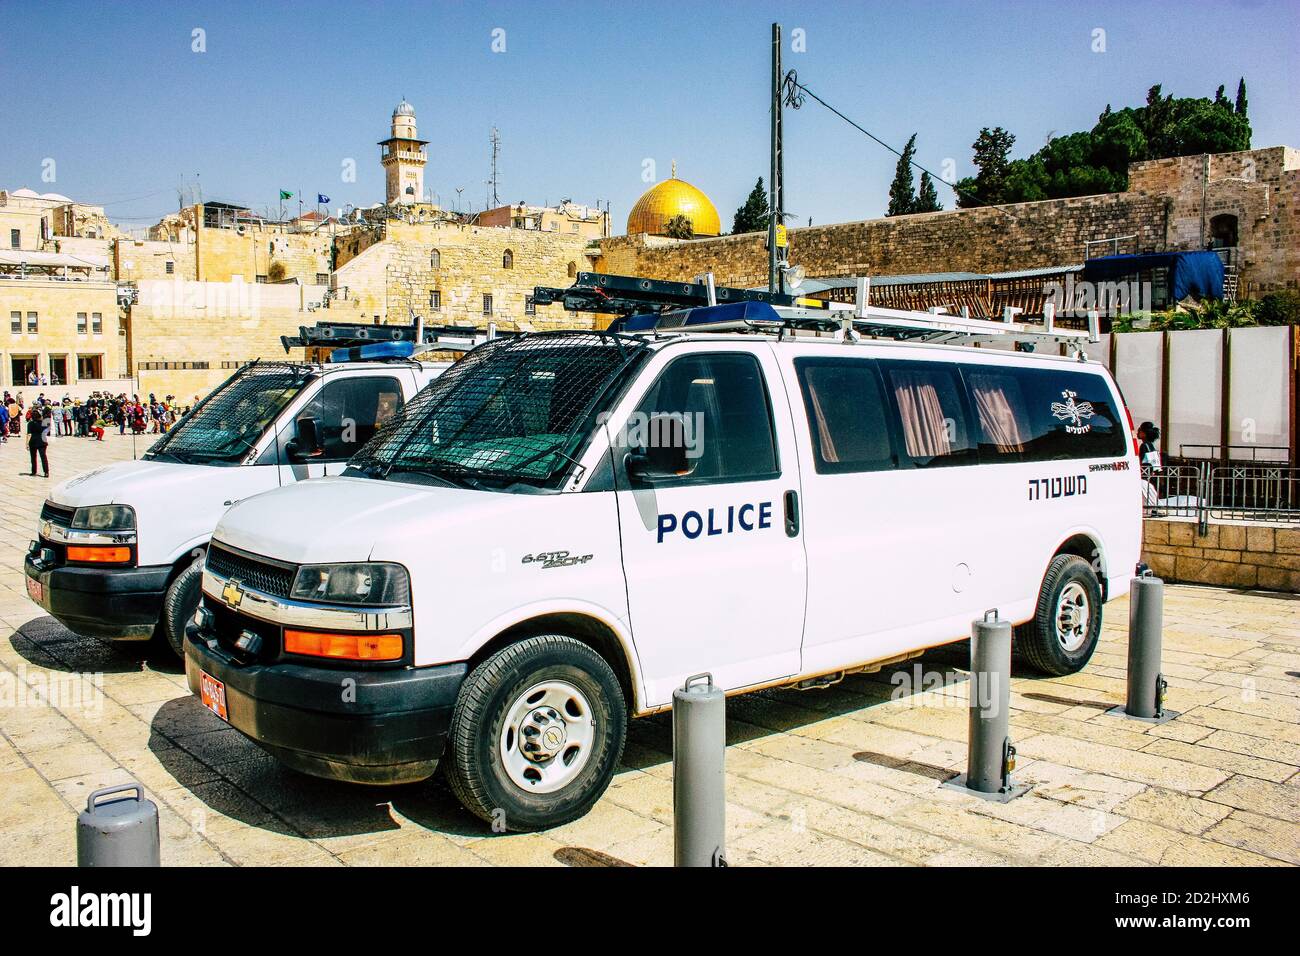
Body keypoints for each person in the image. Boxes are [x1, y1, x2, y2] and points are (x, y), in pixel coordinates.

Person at [27, 406, 50, 477]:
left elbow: (29, 434)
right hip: (42, 441)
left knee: (33, 457)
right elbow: (47, 432)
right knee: (43, 457)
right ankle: (46, 472)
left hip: (33, 441)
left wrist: (27, 444)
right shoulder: (44, 423)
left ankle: (33, 471)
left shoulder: (30, 424)